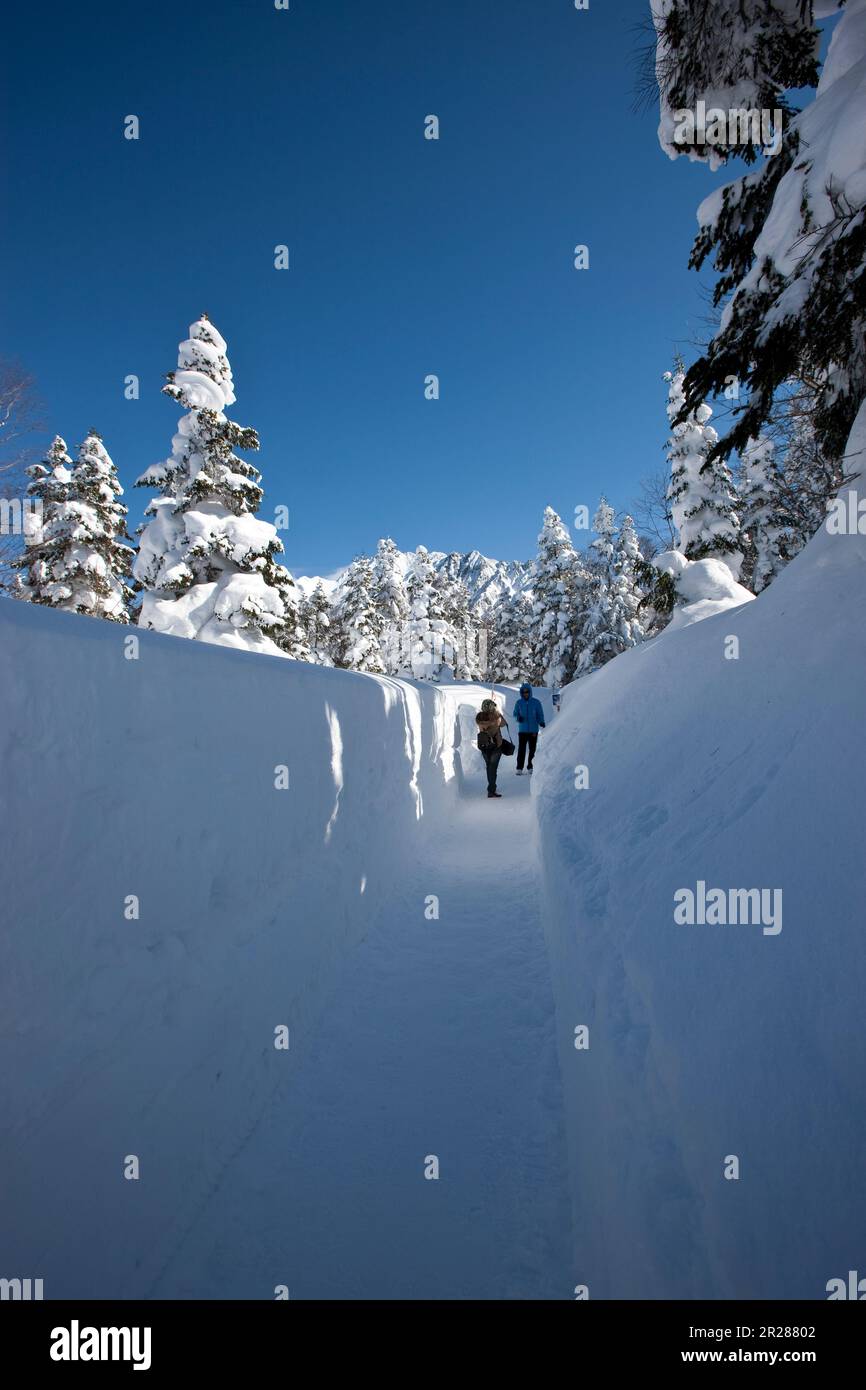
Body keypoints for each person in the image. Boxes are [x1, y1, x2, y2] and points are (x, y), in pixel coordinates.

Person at [476, 697, 507, 798]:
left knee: (489, 766)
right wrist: (498, 712)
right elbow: (503, 724)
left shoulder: (480, 717)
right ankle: (491, 790)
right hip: (495, 746)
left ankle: (491, 787)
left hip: (484, 746)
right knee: (493, 768)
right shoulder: (496, 717)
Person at [512, 682, 545, 774]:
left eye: (527, 691)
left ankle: (530, 766)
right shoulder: (519, 703)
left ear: (530, 692)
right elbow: (514, 714)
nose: (525, 693)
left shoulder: (536, 702)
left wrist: (541, 722)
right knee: (521, 749)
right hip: (522, 730)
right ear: (521, 693)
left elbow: (540, 714)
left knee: (532, 749)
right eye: (523, 692)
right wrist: (518, 718)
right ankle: (519, 768)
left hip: (533, 730)